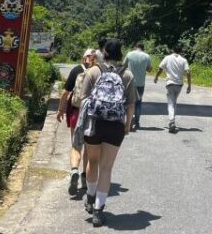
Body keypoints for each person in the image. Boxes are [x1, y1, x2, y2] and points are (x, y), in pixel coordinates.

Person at [80, 39, 137, 227]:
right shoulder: (127, 75)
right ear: (121, 54)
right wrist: (127, 125)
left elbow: (83, 98)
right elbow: (130, 104)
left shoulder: (93, 71)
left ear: (104, 53)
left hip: (94, 123)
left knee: (92, 162)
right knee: (106, 167)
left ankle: (90, 196)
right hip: (115, 126)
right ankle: (98, 211)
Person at [56, 49, 94, 196]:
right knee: (89, 147)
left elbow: (65, 92)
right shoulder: (98, 71)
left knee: (76, 145)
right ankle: (85, 178)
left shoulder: (77, 70)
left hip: (76, 112)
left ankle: (73, 171)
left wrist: (60, 110)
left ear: (83, 58)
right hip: (92, 113)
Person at [154, 46, 191, 133]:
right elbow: (188, 72)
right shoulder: (183, 60)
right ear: (181, 51)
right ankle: (172, 121)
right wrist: (189, 85)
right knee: (174, 102)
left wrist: (156, 77)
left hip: (170, 83)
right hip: (179, 85)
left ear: (172, 50)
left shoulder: (167, 58)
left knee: (171, 103)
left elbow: (160, 68)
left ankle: (171, 121)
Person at [123, 42, 152, 130]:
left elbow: (123, 65)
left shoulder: (129, 54)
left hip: (129, 82)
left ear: (135, 47)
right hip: (140, 83)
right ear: (143, 48)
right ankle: (137, 122)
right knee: (138, 103)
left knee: (129, 102)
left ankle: (129, 122)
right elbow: (149, 69)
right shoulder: (147, 56)